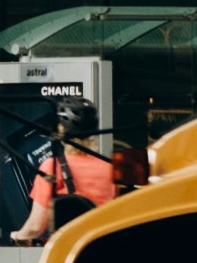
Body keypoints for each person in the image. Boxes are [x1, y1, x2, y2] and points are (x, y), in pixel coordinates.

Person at [13, 100, 120, 248]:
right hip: (102, 249)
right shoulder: (110, 167)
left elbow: (36, 226)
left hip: (67, 252)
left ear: (61, 130)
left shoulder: (52, 167)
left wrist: (19, 236)